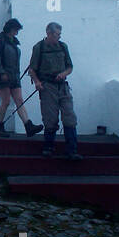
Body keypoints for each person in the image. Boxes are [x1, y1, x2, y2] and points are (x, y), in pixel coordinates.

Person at [26, 22, 82, 160]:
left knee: (70, 116)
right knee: (50, 118)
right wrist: (37, 83)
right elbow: (32, 69)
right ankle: (48, 147)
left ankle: (72, 150)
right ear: (49, 33)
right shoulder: (38, 47)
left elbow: (70, 67)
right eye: (57, 34)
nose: (59, 37)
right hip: (47, 86)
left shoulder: (63, 47)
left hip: (62, 86)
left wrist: (64, 74)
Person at [0, 18, 43, 138]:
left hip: (14, 77)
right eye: (15, 30)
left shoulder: (12, 42)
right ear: (10, 29)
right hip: (4, 77)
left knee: (19, 100)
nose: (17, 32)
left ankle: (28, 126)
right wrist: (1, 73)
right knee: (6, 102)